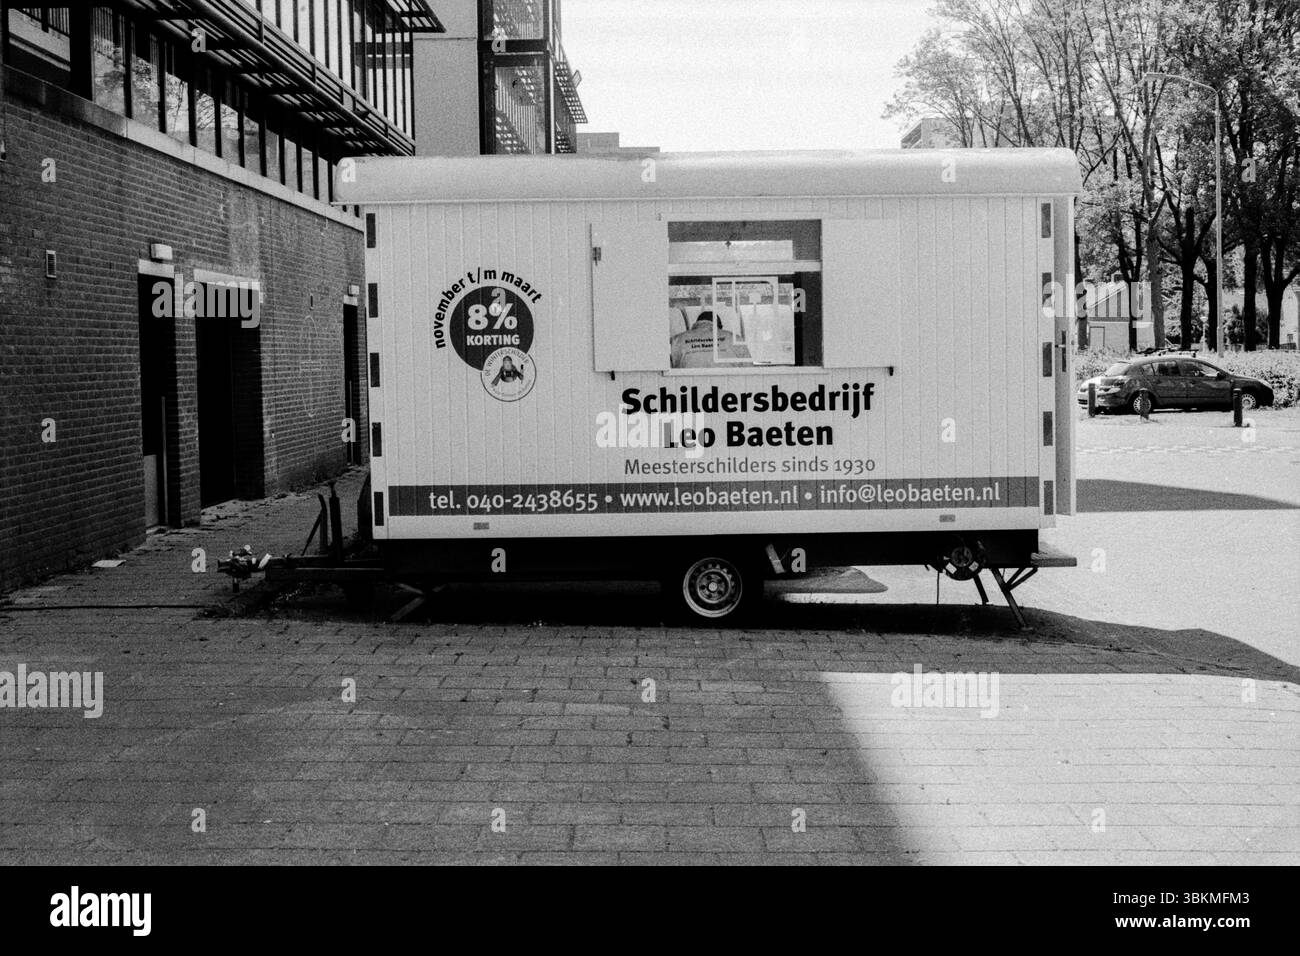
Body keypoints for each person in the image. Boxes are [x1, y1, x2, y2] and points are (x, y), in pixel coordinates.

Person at [670, 310, 752, 369]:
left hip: (688, 390)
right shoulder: (735, 339)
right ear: (719, 326)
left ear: (697, 324)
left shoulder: (676, 340)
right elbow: (750, 370)